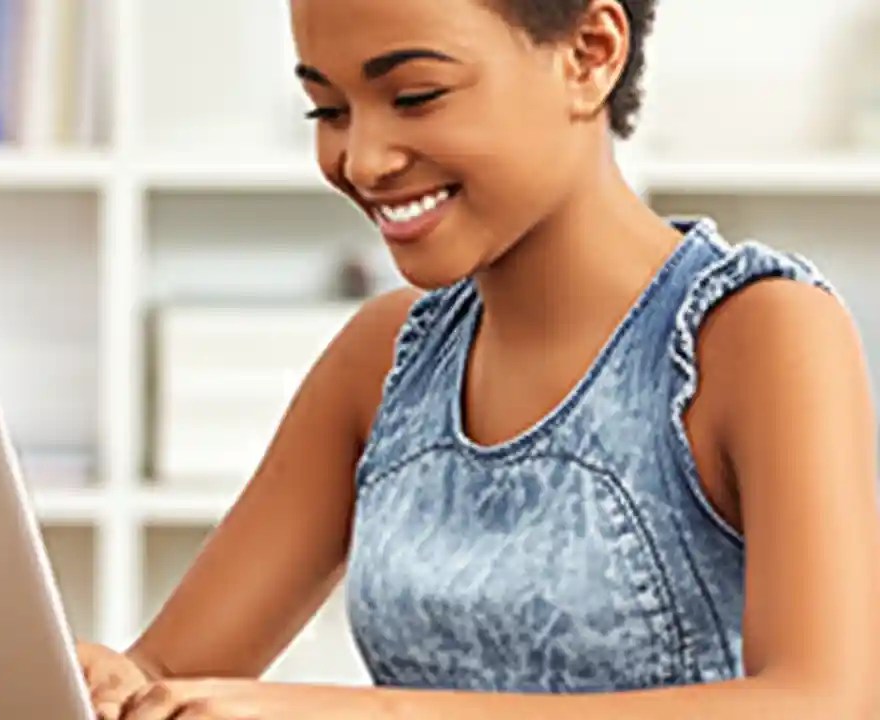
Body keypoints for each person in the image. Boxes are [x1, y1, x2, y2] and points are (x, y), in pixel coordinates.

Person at [78, 0, 880, 717]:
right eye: (327, 109)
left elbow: (822, 702)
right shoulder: (384, 358)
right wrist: (103, 680)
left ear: (590, 54)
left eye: (415, 96)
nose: (362, 160)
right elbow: (167, 672)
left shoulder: (754, 333)